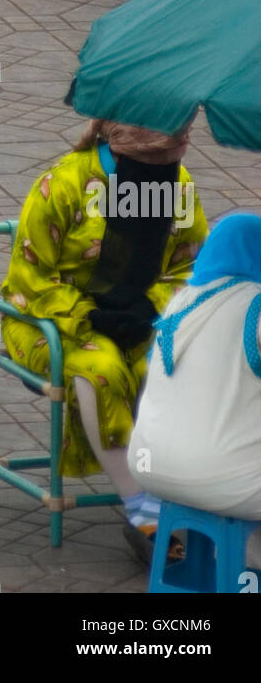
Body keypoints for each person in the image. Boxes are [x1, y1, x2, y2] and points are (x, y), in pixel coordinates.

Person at [1, 118, 207, 562]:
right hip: (50, 322)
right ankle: (142, 510)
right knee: (102, 370)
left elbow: (191, 267)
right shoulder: (63, 183)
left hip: (141, 320)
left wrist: (150, 306)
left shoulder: (177, 185)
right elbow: (29, 280)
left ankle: (176, 489)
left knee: (169, 365)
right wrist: (88, 314)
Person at [128, 210, 261, 571]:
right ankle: (239, 563)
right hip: (223, 478)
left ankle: (222, 560)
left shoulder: (179, 301)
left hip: (151, 469)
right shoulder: (255, 306)